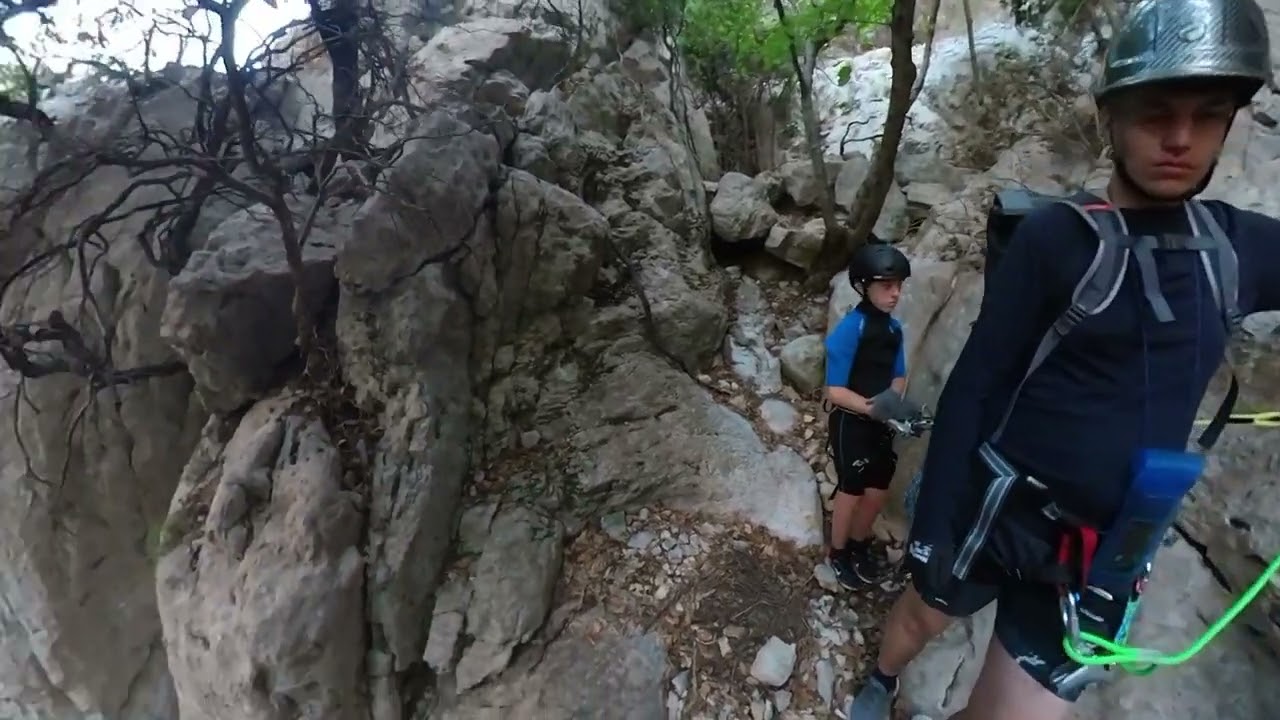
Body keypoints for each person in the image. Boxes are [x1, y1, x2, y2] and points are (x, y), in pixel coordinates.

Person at [844, 0, 1280, 718]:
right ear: (1111, 116)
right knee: (923, 617)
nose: (1179, 137)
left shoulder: (1237, 249)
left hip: (1105, 545)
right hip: (1001, 503)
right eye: (1155, 113)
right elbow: (977, 384)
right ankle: (884, 681)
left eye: (1206, 114)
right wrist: (931, 534)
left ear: (1231, 119)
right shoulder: (1057, 241)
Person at [823, 239, 917, 588]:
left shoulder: (892, 330)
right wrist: (872, 408)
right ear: (864, 287)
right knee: (851, 490)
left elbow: (898, 373)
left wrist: (893, 403)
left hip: (880, 422)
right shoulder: (851, 329)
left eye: (899, 287)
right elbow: (834, 389)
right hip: (851, 423)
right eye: (887, 286)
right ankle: (837, 552)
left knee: (877, 491)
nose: (895, 294)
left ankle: (859, 544)